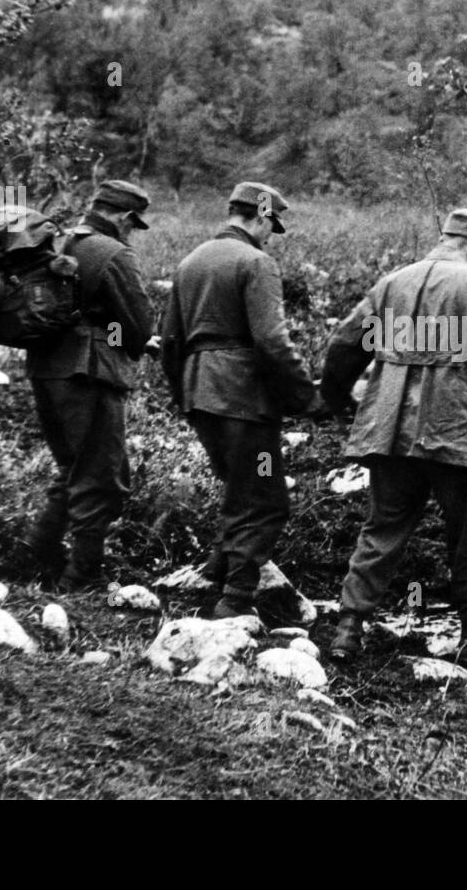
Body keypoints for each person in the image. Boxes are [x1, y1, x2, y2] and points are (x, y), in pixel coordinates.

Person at [320, 208, 467, 667]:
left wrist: (335, 398)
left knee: (383, 527)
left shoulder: (391, 283)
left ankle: (348, 628)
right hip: (455, 432)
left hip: (389, 430)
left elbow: (345, 344)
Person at [159, 182, 316, 619]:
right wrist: (307, 396)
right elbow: (272, 341)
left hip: (201, 397)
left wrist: (186, 396)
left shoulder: (190, 262)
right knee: (266, 500)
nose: (270, 235)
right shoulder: (257, 263)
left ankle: (215, 570)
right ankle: (235, 599)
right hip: (243, 400)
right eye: (272, 226)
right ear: (262, 218)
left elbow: (170, 341)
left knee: (239, 485)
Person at [21, 179, 155, 591]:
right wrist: (131, 339)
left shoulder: (61, 243)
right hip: (88, 373)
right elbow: (138, 323)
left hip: (47, 369)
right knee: (99, 474)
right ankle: (81, 577)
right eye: (133, 222)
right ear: (121, 215)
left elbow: (99, 318)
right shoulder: (112, 252)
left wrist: (117, 332)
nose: (132, 230)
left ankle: (36, 552)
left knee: (72, 468)